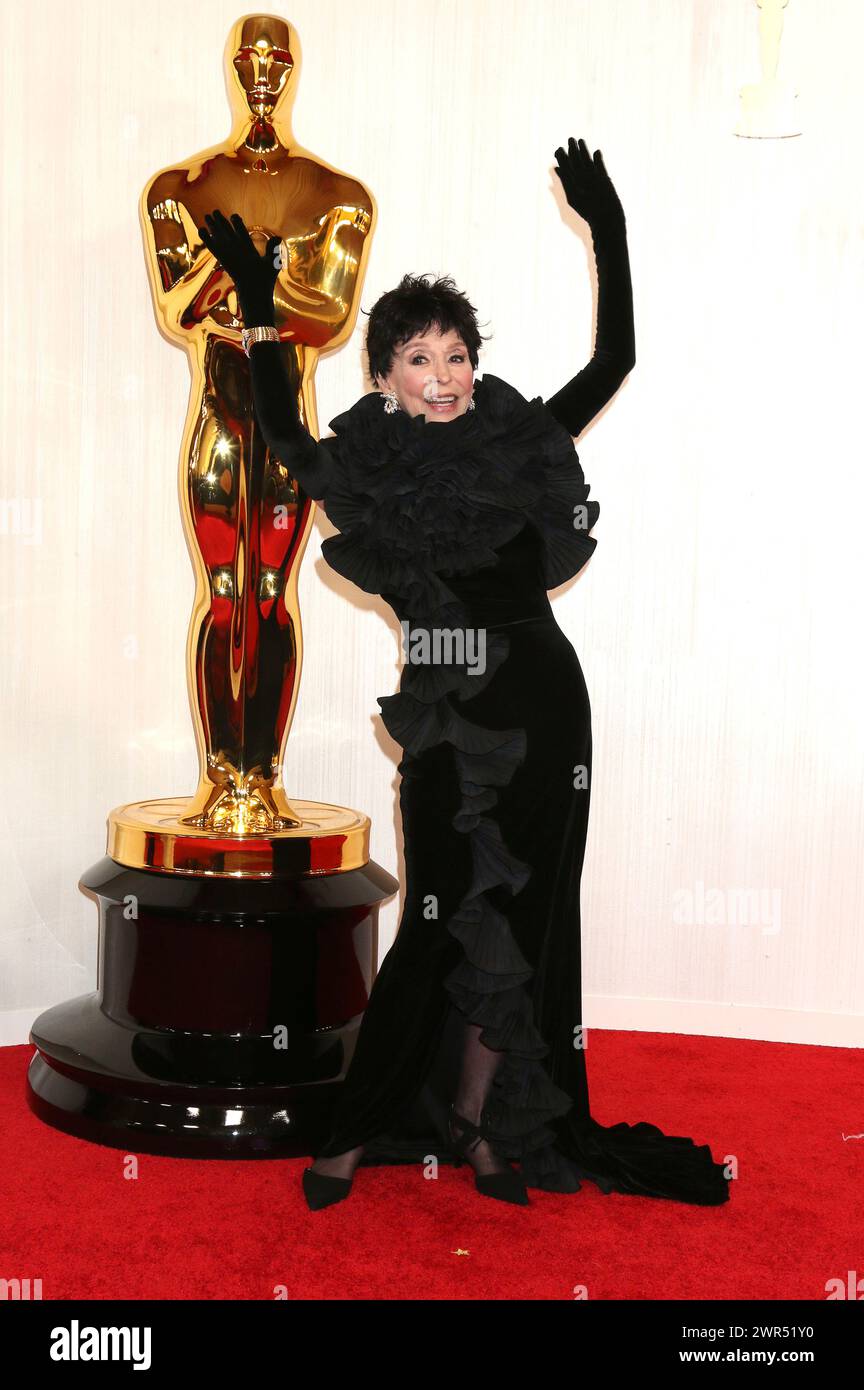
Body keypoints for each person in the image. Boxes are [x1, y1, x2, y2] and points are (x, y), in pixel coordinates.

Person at [198, 136, 731, 1211]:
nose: (441, 379)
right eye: (418, 362)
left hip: (542, 707)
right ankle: (355, 1131)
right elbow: (284, 433)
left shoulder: (520, 444)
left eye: (455, 357)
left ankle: (486, 1129)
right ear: (386, 379)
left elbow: (615, 360)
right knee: (439, 915)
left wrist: (609, 230)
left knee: (521, 925)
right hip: (446, 711)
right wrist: (260, 312)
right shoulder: (371, 474)